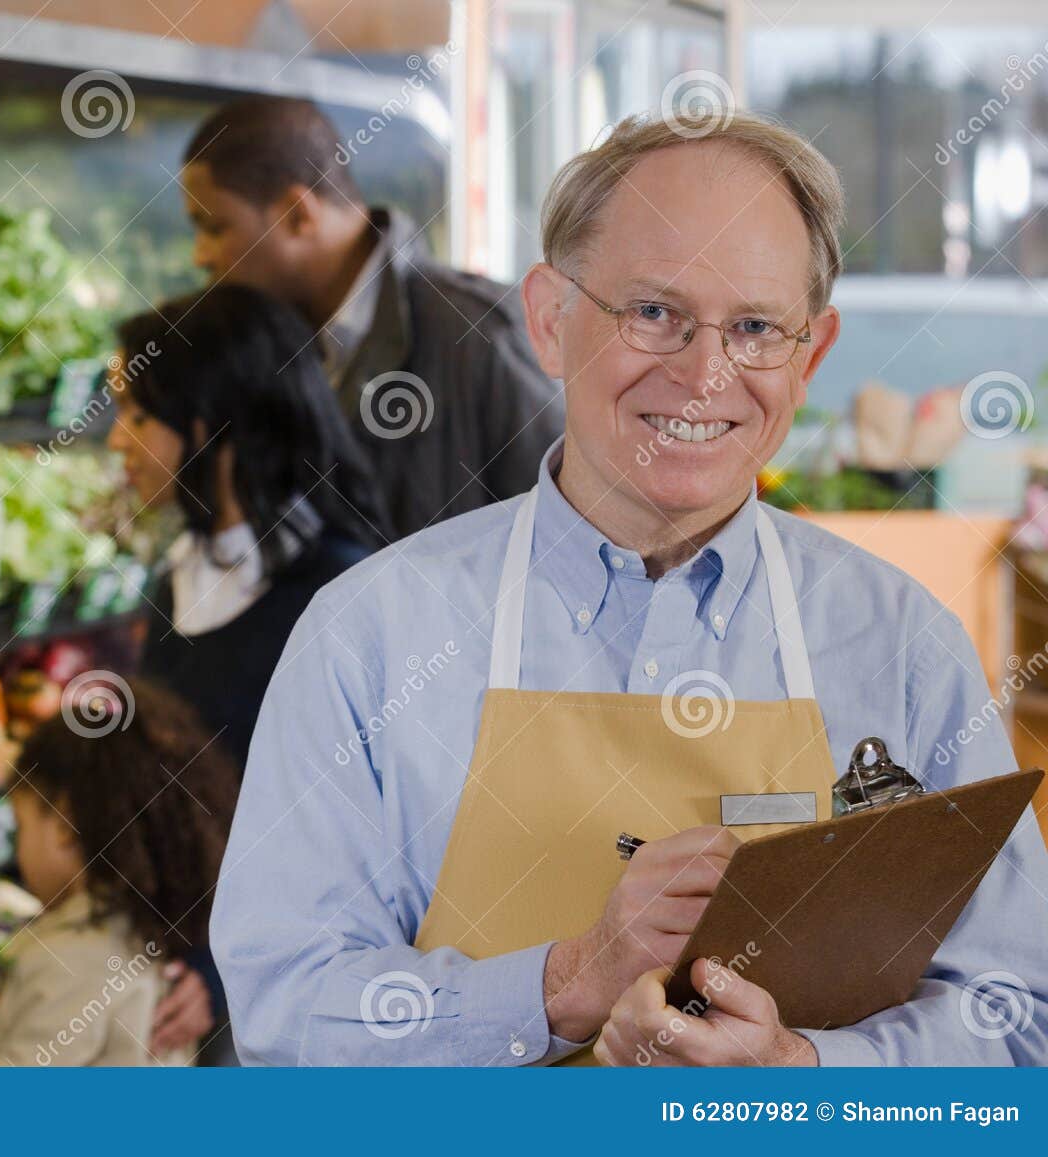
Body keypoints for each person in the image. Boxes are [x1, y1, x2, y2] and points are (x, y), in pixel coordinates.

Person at [210, 110, 1048, 1066]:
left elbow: (1018, 1013)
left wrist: (806, 1076)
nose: (704, 375)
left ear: (811, 356)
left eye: (756, 327)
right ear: (549, 319)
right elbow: (282, 1008)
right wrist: (567, 983)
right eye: (654, 312)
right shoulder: (370, 635)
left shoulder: (903, 643)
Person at [107, 283, 391, 1061]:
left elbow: (357, 846)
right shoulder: (175, 579)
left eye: (139, 416)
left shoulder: (335, 597)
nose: (115, 441)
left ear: (209, 427)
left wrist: (219, 969)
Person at [180, 96, 565, 538]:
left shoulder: (480, 334)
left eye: (214, 228)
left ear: (297, 213)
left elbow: (572, 540)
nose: (200, 256)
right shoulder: (282, 350)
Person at [0, 679, 238, 1066]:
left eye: (22, 826)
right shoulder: (133, 931)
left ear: (65, 828)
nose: (19, 850)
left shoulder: (75, 958)